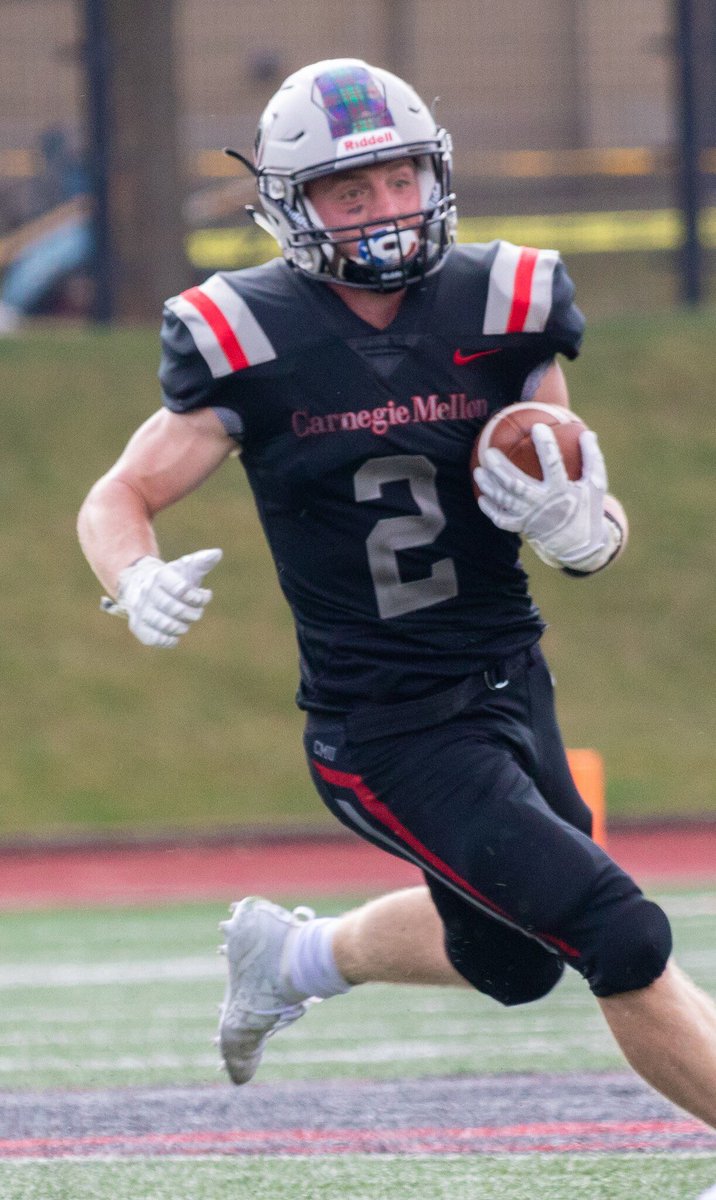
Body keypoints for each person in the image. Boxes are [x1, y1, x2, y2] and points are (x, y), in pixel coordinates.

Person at [77, 58, 716, 1128]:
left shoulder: (502, 304)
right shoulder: (250, 333)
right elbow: (121, 493)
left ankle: (296, 957)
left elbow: (581, 501)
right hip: (385, 728)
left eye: (399, 178)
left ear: (436, 174)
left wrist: (583, 532)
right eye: (350, 191)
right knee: (620, 933)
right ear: (294, 205)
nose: (384, 208)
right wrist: (131, 577)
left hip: (510, 681)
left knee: (517, 964)